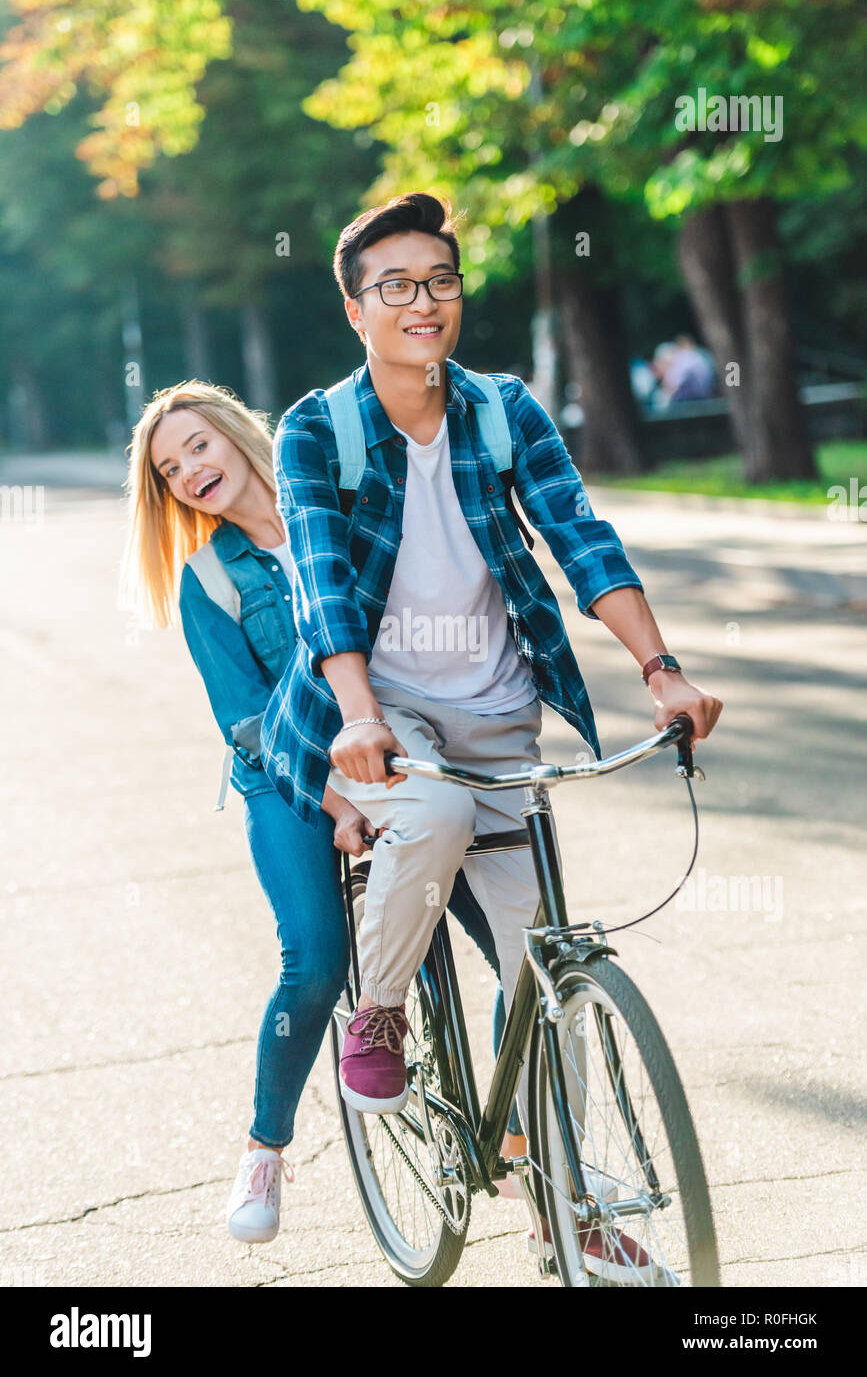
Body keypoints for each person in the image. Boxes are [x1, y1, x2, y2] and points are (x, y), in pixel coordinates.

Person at [260, 192, 723, 1273]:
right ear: (354, 308)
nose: (424, 302)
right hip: (383, 711)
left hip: (503, 707)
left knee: (544, 984)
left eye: (441, 280)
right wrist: (361, 719)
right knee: (433, 808)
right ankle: (379, 1011)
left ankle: (573, 1213)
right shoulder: (316, 430)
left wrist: (661, 668)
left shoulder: (504, 409)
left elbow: (581, 538)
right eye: (396, 285)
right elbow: (325, 592)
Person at [118, 378, 518, 1247]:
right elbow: (249, 719)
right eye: (168, 469)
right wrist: (336, 798)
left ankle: (526, 1143)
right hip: (286, 775)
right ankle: (265, 1149)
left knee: (512, 939)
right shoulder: (209, 577)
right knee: (315, 955)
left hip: (397, 741)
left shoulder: (336, 512)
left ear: (234, 437)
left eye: (197, 446)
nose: (189, 471)